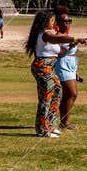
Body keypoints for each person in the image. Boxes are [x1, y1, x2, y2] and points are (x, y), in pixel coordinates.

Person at [24, 10, 80, 138]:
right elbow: (57, 38)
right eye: (52, 20)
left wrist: (72, 44)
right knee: (46, 97)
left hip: (50, 67)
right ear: (46, 22)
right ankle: (42, 129)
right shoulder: (45, 34)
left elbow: (59, 51)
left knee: (57, 93)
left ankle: (51, 125)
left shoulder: (49, 34)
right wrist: (74, 38)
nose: (54, 23)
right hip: (43, 67)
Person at [54, 8, 83, 130]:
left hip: (71, 64)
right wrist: (73, 43)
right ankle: (64, 122)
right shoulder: (57, 36)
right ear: (58, 23)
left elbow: (72, 54)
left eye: (69, 21)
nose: (67, 23)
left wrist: (76, 70)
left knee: (68, 95)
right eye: (65, 21)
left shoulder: (68, 35)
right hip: (62, 65)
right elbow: (58, 53)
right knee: (72, 93)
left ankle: (64, 121)